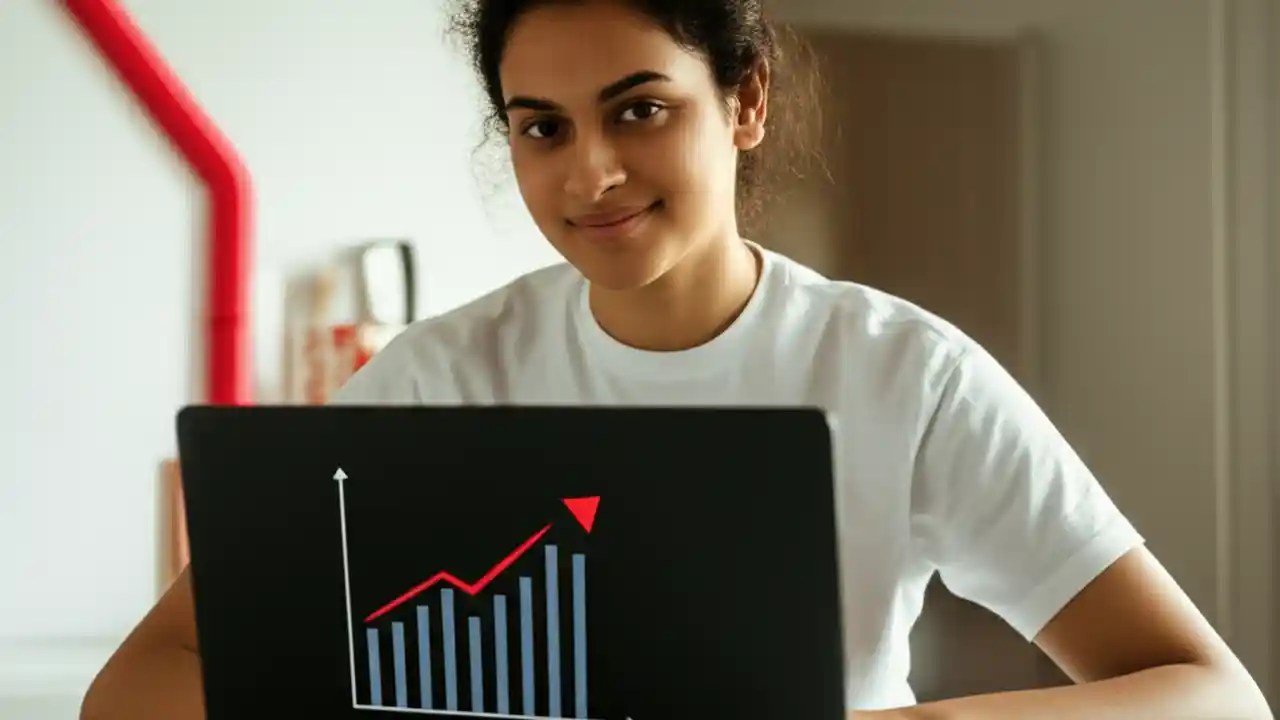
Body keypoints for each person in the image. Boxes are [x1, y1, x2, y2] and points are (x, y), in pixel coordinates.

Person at [82, 0, 1273, 718]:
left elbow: (1210, 695)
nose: (586, 172)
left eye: (638, 108)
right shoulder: (436, 378)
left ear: (744, 101)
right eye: (540, 127)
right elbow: (136, 687)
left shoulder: (902, 375)